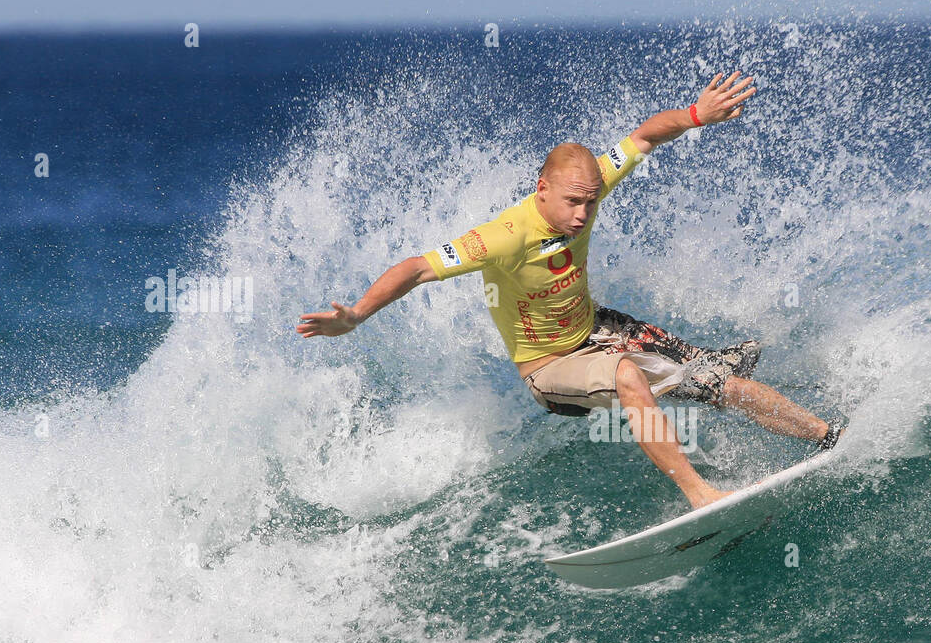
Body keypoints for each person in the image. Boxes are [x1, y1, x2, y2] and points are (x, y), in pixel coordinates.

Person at [298, 71, 844, 508]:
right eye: (572, 202)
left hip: (598, 327)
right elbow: (416, 268)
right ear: (543, 190)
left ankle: (827, 435)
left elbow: (646, 135)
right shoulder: (504, 237)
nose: (583, 214)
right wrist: (359, 314)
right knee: (630, 377)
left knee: (718, 380)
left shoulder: (590, 182)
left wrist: (697, 114)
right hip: (548, 365)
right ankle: (700, 496)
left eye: (590, 201)